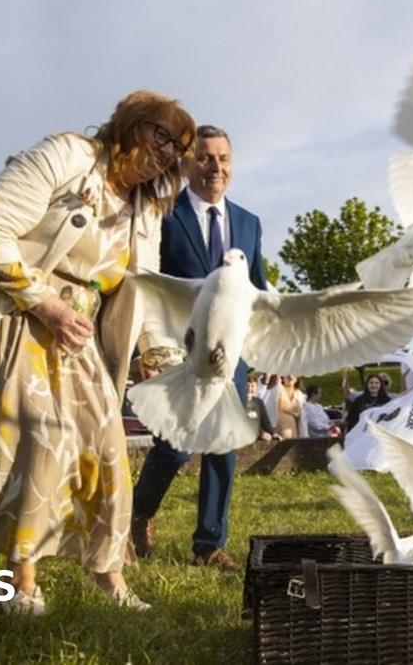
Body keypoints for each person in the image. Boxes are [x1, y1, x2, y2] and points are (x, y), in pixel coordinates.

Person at [0, 91, 197, 616]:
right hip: (17, 314)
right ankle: (22, 582)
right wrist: (45, 305)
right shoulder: (68, 155)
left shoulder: (145, 209)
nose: (166, 152)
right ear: (129, 124)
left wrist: (164, 359)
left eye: (177, 147)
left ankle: (110, 576)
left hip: (78, 335)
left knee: (107, 449)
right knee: (35, 440)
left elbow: (142, 292)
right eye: (159, 134)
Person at [130, 125, 267, 573]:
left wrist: (266, 354)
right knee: (173, 445)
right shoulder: (163, 216)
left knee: (223, 448)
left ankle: (209, 544)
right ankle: (137, 515)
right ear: (188, 163)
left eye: (223, 158)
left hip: (233, 357)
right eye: (205, 158)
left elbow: (259, 291)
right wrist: (143, 351)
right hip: (178, 351)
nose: (216, 167)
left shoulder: (249, 223)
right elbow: (146, 287)